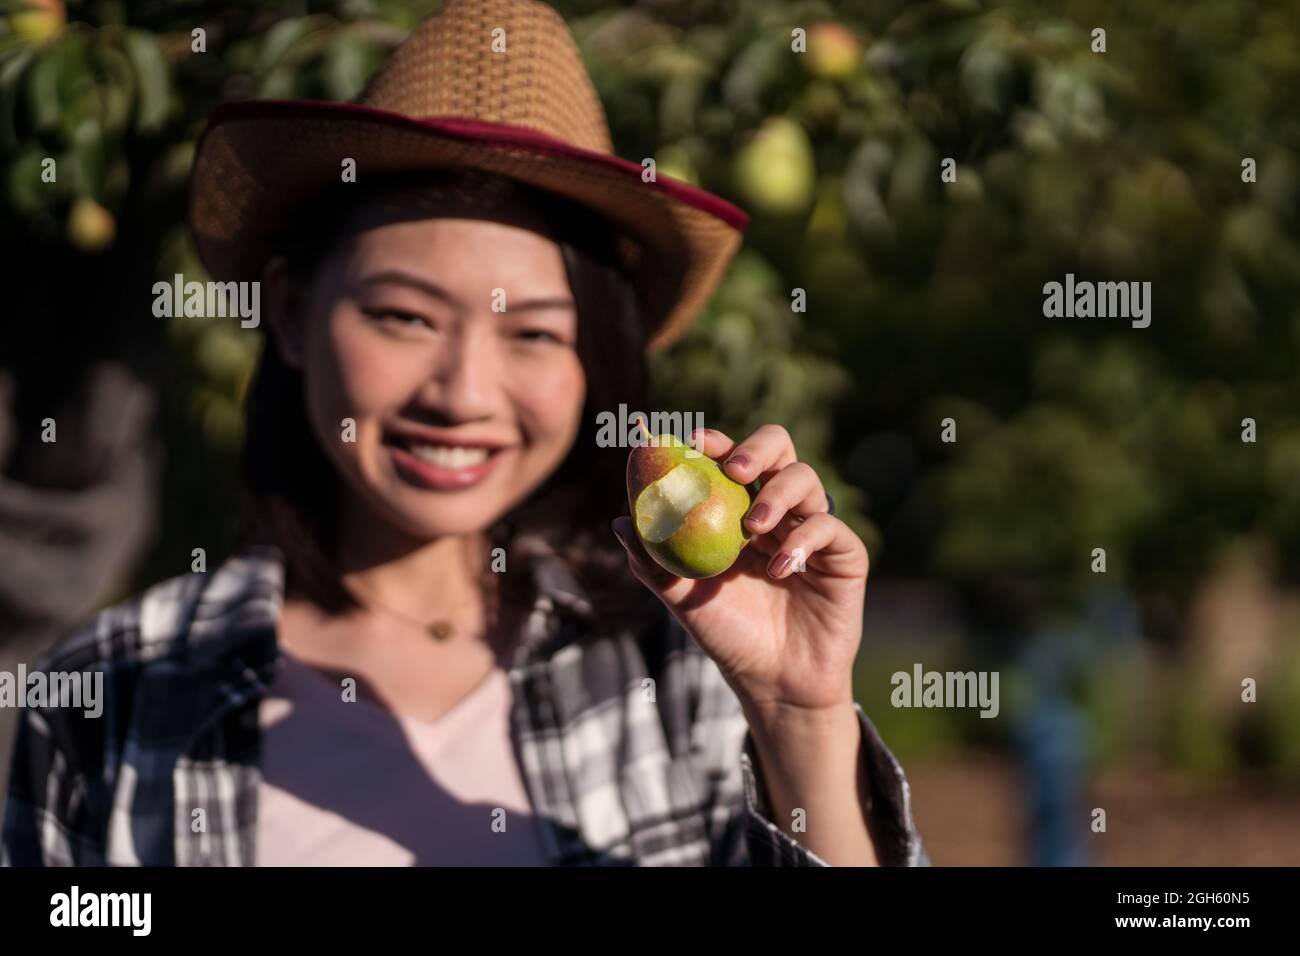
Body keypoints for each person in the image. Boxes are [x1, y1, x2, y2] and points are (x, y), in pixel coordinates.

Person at [1, 0, 926, 867]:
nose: (461, 393)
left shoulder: (681, 668)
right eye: (404, 317)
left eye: (531, 332)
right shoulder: (117, 692)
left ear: (592, 360)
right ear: (288, 313)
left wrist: (796, 711)